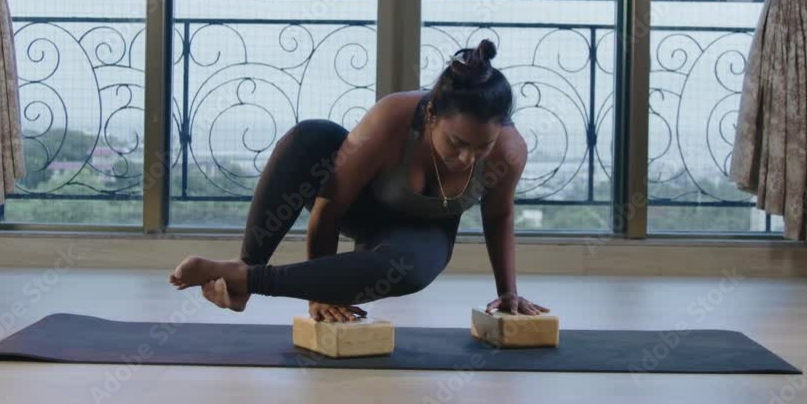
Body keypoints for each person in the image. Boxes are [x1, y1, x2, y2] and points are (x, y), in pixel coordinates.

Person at [169, 39, 549, 322]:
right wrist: (319, 296)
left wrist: (508, 292)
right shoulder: (392, 119)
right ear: (432, 115)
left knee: (408, 269)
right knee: (310, 138)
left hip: (418, 235)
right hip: (359, 207)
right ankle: (244, 270)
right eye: (457, 143)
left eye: (482, 146)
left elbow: (498, 218)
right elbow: (329, 210)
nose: (467, 158)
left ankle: (244, 279)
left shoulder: (509, 152)